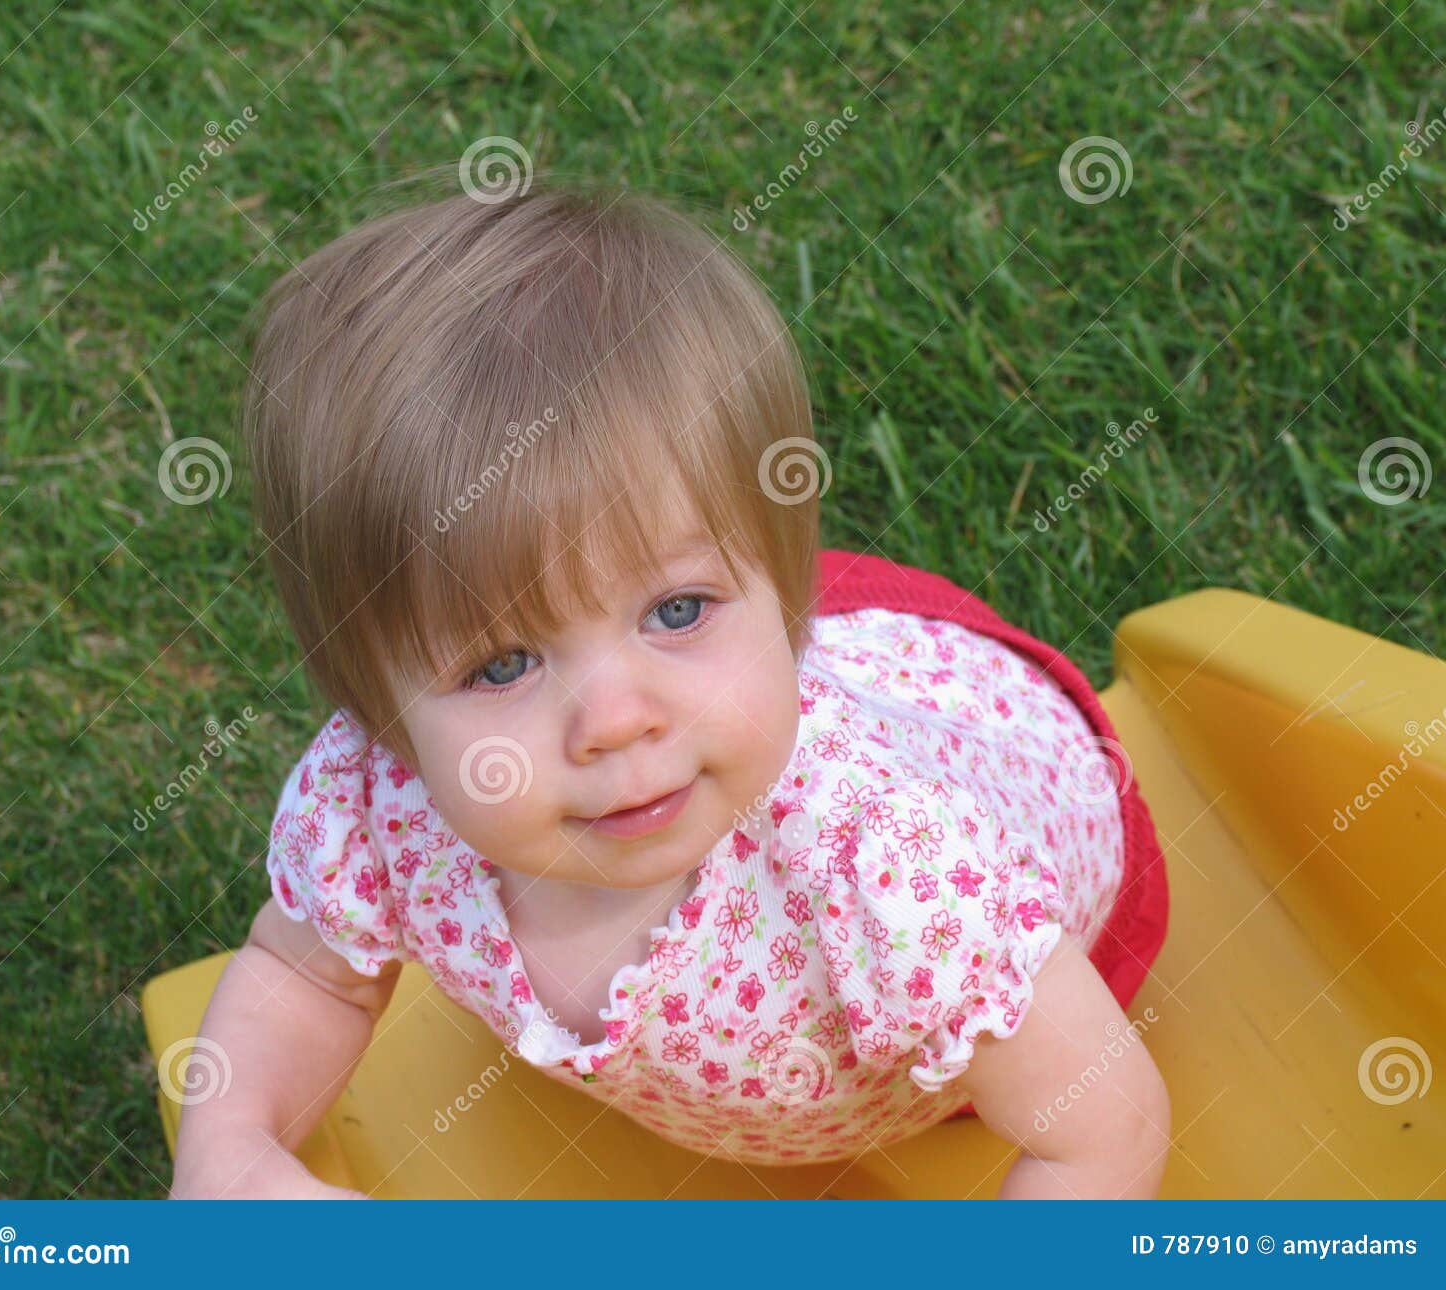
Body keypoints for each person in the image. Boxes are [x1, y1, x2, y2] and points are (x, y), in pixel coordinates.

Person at [168, 177, 1170, 1200]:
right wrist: (230, 1148)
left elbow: (1102, 1125)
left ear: (783, 588)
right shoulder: (381, 809)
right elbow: (304, 976)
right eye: (502, 665)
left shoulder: (899, 869)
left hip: (1010, 786)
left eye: (677, 610)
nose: (615, 721)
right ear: (378, 712)